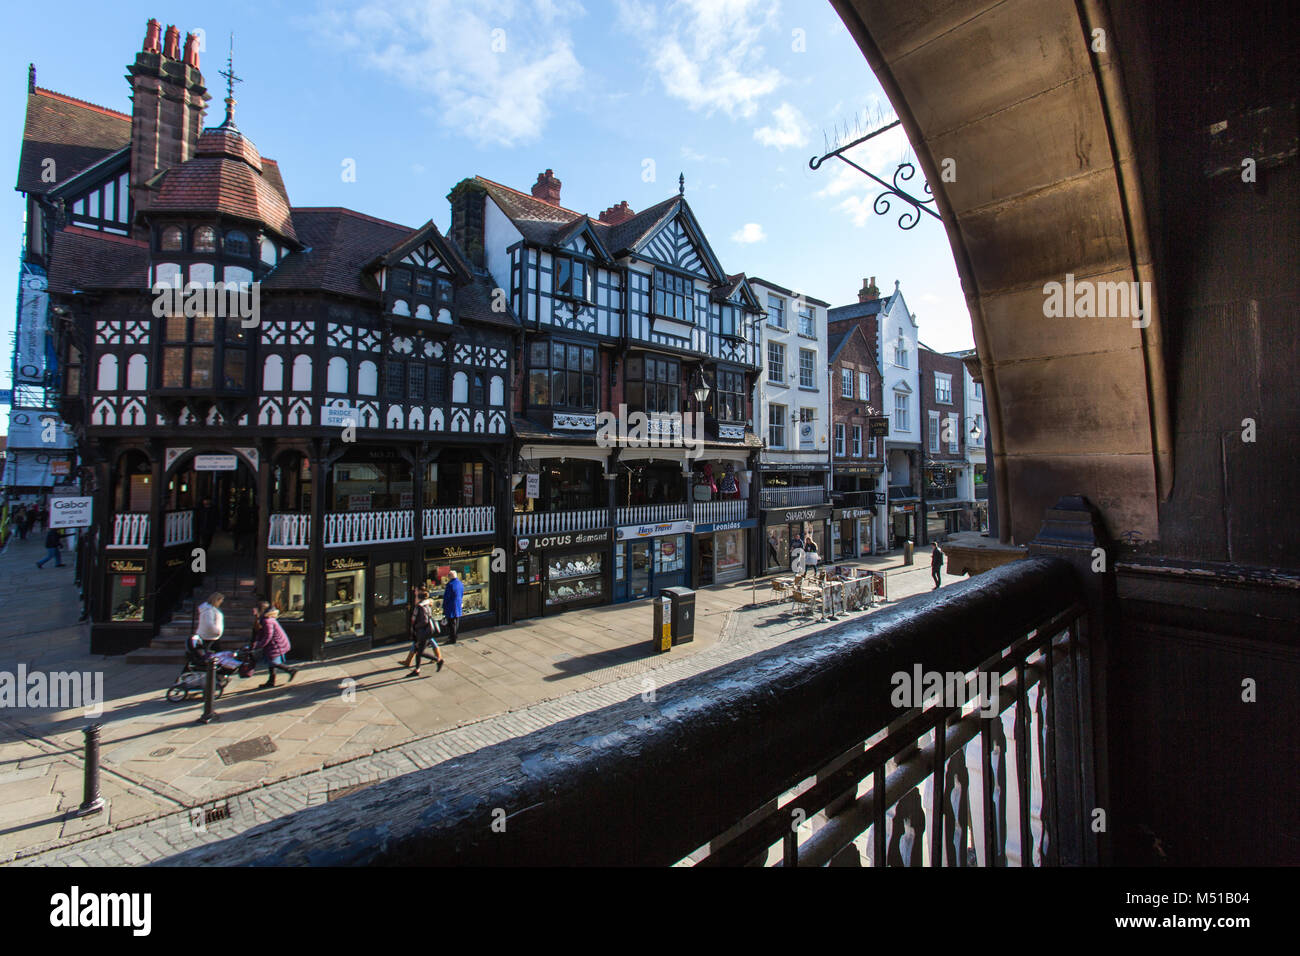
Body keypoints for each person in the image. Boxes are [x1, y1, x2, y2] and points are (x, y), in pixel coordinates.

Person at [251, 601, 298, 687]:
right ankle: (271, 681)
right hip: (273, 644)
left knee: (274, 662)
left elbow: (268, 635)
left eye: (256, 608)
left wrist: (260, 645)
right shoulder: (264, 619)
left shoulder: (267, 621)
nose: (254, 610)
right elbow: (260, 633)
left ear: (260, 610)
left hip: (277, 644)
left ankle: (290, 670)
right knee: (271, 662)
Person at [402, 588, 444, 676]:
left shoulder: (420, 607)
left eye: (416, 597)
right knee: (418, 652)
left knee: (420, 652)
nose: (415, 599)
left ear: (419, 598)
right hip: (426, 632)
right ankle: (417, 670)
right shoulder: (427, 605)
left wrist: (416, 627)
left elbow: (424, 621)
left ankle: (438, 660)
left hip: (423, 632)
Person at [442, 569, 464, 645]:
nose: (448, 577)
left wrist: (444, 606)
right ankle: (454, 635)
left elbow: (446, 597)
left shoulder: (450, 585)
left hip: (451, 606)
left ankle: (452, 638)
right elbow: (461, 594)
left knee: (451, 623)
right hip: (458, 605)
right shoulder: (460, 583)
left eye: (448, 575)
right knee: (456, 621)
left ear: (450, 576)